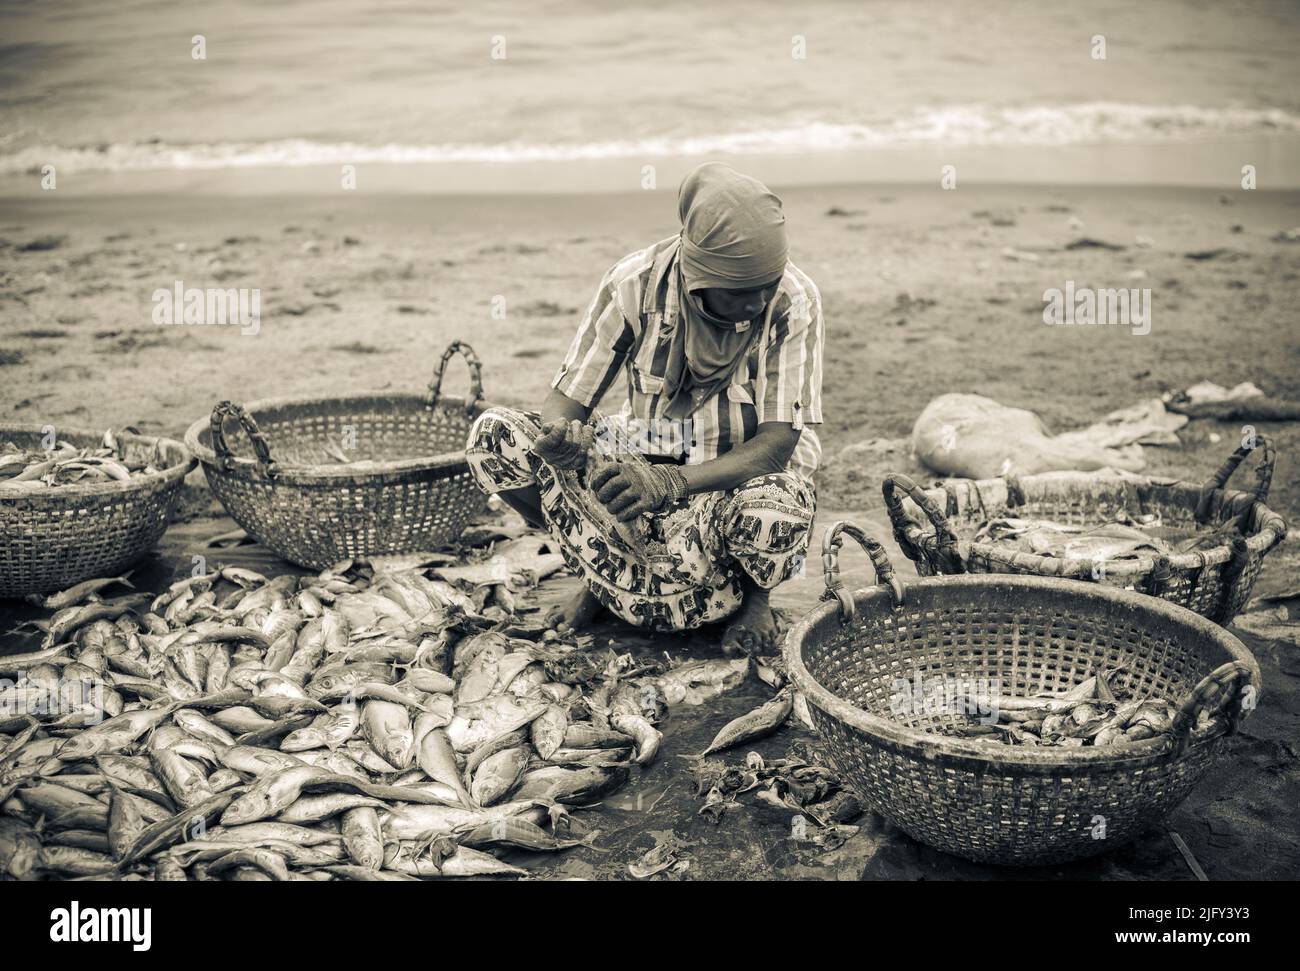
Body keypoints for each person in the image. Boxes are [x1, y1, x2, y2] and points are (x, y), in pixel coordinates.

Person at [466, 162, 823, 654]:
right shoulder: (634, 284)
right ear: (700, 272)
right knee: (496, 438)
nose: (757, 302)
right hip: (645, 452)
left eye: (767, 285)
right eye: (740, 291)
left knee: (780, 502)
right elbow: (569, 398)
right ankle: (597, 577)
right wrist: (562, 438)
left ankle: (754, 599)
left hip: (733, 477)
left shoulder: (793, 300)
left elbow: (777, 446)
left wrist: (671, 484)